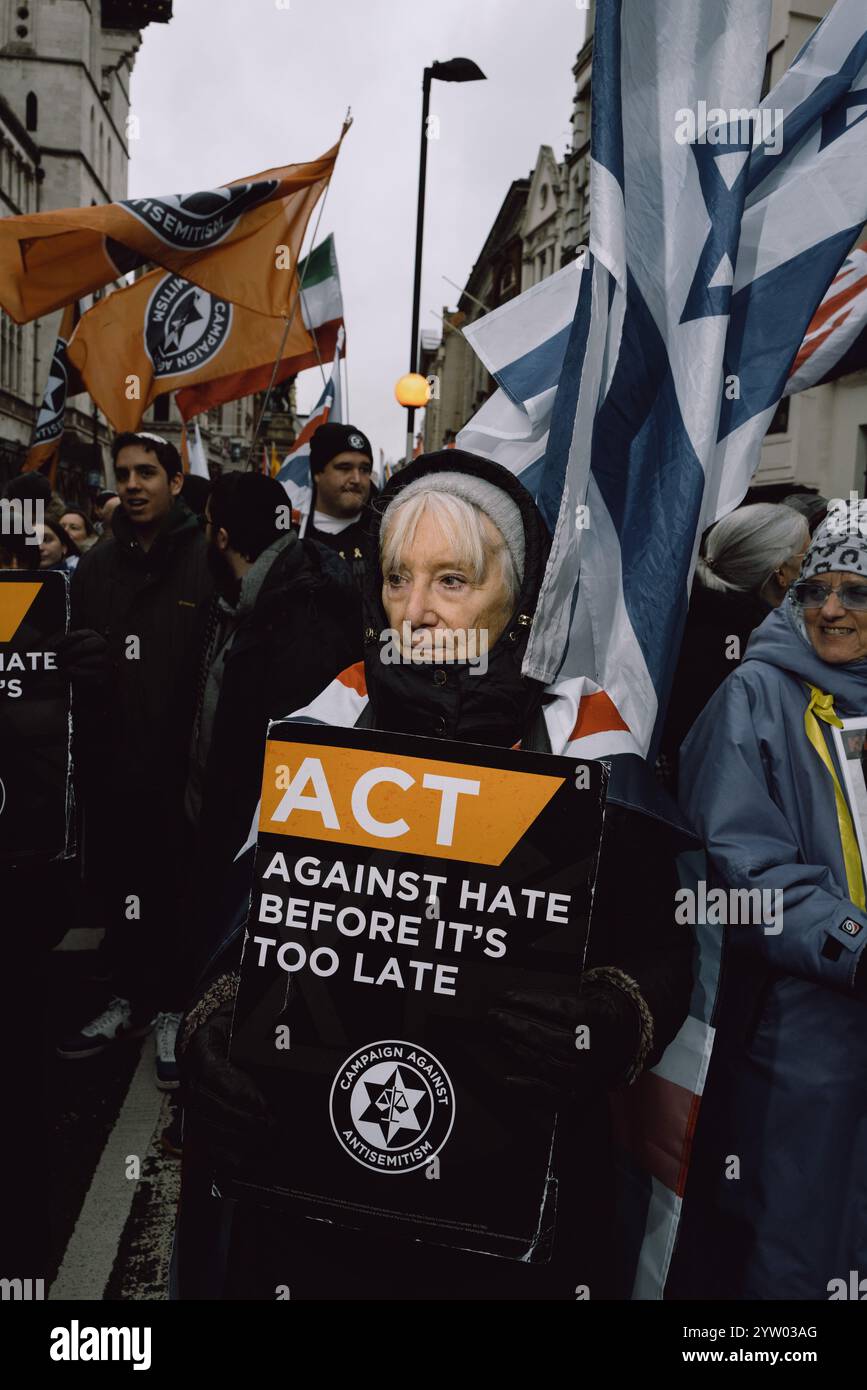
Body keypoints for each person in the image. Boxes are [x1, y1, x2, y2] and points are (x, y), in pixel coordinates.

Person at [174, 450, 694, 1300]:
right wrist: (214, 1033)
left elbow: (659, 944)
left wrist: (607, 1018)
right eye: (395, 579)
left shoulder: (583, 735)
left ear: (516, 598)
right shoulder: (329, 718)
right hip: (321, 1192)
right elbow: (247, 927)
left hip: (518, 1195)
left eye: (451, 580)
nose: (415, 613)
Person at [667, 509, 867, 1300]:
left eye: (856, 592)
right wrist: (849, 942)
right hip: (799, 1030)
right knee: (792, 1243)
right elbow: (734, 869)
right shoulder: (752, 693)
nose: (830, 609)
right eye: (816, 588)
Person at [58, 430, 214, 1089]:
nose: (132, 483)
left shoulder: (207, 559)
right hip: (114, 767)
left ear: (175, 482)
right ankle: (128, 996)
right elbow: (72, 658)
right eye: (123, 472)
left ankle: (175, 1008)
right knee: (123, 890)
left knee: (178, 894)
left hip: (183, 774)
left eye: (147, 471)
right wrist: (79, 660)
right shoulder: (96, 565)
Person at [185, 471, 362, 967]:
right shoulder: (252, 600)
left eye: (207, 524)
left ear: (222, 537)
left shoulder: (301, 608)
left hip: (261, 845)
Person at [659, 503, 809, 788]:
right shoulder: (755, 644)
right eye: (808, 554)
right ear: (781, 572)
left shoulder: (686, 621)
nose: (816, 566)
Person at [298, 422, 376, 590]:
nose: (356, 479)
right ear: (317, 473)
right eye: (344, 468)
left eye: (364, 469)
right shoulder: (292, 532)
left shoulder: (387, 532)